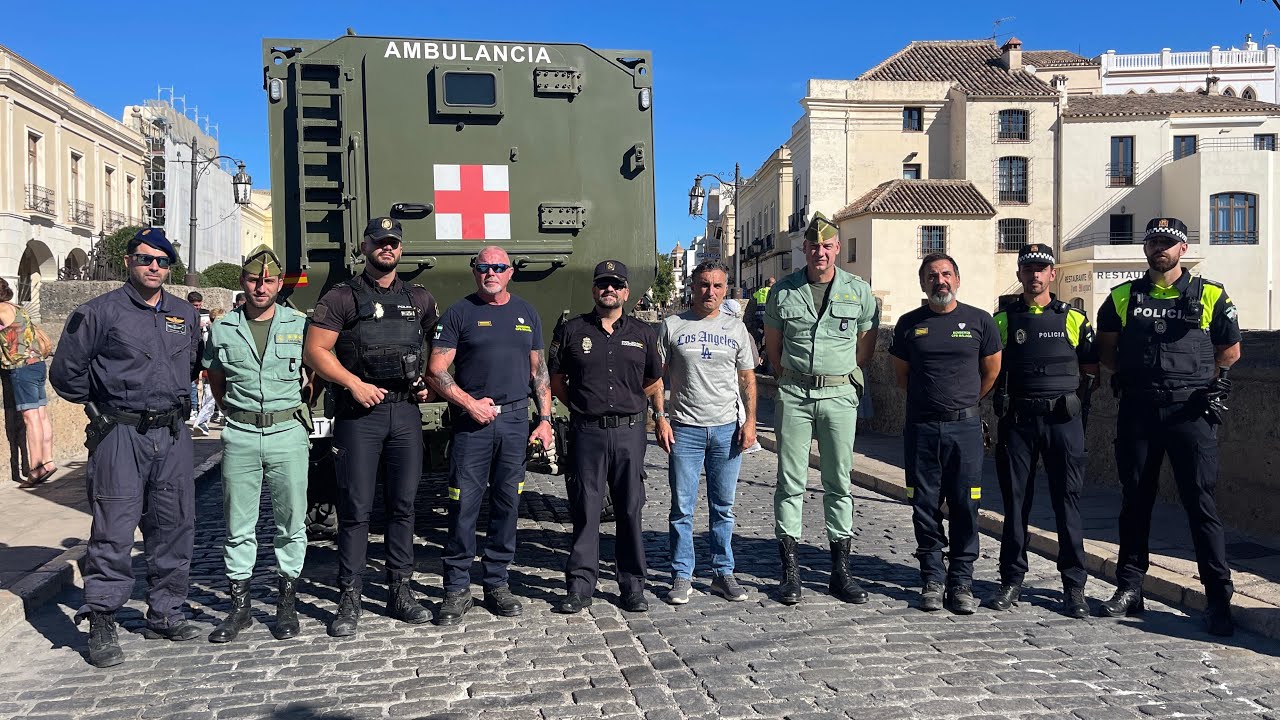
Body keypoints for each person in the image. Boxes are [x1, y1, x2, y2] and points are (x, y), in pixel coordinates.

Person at [49, 227, 201, 667]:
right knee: (113, 530)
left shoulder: (183, 313)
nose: (154, 267)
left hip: (171, 434)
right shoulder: (98, 312)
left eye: (162, 261)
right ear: (128, 262)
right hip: (120, 434)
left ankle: (166, 612)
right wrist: (106, 407)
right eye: (145, 258)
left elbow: (191, 364)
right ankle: (102, 618)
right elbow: (66, 374)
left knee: (174, 525)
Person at [1095, 217, 1241, 636]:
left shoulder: (1210, 293)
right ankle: (1129, 587)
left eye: (1168, 242)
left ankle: (1218, 599)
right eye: (1154, 242)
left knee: (1201, 504)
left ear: (1183, 249)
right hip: (1139, 410)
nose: (1160, 248)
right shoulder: (1123, 296)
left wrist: (1203, 380)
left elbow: (1230, 349)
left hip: (1189, 412)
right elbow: (1108, 350)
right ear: (1145, 248)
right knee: (1135, 501)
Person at [303, 217, 438, 636]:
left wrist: (428, 384)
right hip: (359, 415)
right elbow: (315, 350)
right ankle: (350, 595)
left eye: (393, 242)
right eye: (379, 242)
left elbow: (437, 346)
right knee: (355, 509)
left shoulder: (419, 298)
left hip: (404, 414)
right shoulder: (342, 296)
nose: (387, 248)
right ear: (365, 247)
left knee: (403, 506)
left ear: (401, 249)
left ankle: (400, 590)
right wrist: (353, 383)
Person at [427, 247, 554, 625]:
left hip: (514, 422)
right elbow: (435, 370)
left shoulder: (527, 312)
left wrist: (545, 419)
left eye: (498, 267)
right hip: (473, 425)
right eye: (484, 267)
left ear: (510, 272)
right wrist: (469, 404)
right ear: (475, 272)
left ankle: (497, 582)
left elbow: (538, 371)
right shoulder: (459, 313)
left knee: (507, 504)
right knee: (463, 504)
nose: (491, 273)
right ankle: (456, 588)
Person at [763, 213, 878, 606]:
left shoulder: (858, 291)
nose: (820, 253)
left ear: (837, 249)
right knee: (790, 481)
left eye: (827, 246)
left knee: (839, 482)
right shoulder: (784, 291)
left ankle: (840, 571)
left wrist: (839, 377)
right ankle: (790, 572)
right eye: (814, 246)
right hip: (795, 393)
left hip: (839, 396)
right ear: (805, 249)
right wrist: (793, 378)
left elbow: (865, 346)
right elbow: (774, 349)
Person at [203, 246, 312, 643]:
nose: (261, 287)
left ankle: (286, 603)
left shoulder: (300, 324)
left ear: (279, 283)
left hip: (287, 433)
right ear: (242, 282)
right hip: (241, 434)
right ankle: (240, 607)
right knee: (238, 525)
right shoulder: (223, 329)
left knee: (291, 522)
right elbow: (216, 380)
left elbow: (314, 372)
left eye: (268, 281)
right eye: (253, 280)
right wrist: (236, 415)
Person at [988, 244, 1097, 619]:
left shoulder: (1073, 318)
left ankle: (1074, 587)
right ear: (1019, 274)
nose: (1035, 274)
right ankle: (1011, 580)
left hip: (1062, 422)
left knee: (1067, 503)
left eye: (1042, 268)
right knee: (1015, 503)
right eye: (1028, 268)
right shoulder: (1003, 320)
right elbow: (988, 366)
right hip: (1018, 421)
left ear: (1053, 274)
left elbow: (1092, 369)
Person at [890, 252, 1001, 615]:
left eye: (946, 274)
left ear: (957, 279)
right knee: (924, 505)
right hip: (922, 428)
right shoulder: (909, 324)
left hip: (964, 428)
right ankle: (932, 579)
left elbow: (991, 371)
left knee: (966, 504)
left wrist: (963, 403)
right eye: (932, 275)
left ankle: (962, 581)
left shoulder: (980, 321)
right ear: (923, 283)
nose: (940, 281)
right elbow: (902, 377)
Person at [549, 260, 663, 614]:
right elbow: (556, 380)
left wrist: (646, 412)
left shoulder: (644, 333)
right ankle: (580, 585)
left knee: (629, 508)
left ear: (626, 292)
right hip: (588, 432)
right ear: (594, 290)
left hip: (629, 432)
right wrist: (581, 406)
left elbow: (653, 380)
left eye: (615, 284)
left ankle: (632, 585)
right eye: (602, 284)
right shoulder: (572, 330)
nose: (608, 289)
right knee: (586, 508)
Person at [656, 260, 757, 604]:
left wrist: (750, 421)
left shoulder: (736, 329)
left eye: (716, 286)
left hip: (727, 429)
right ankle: (681, 575)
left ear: (725, 289)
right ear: (692, 286)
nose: (709, 292)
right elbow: (656, 377)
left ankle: (722, 573)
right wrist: (660, 417)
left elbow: (747, 378)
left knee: (723, 507)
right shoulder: (672, 326)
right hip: (685, 429)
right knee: (682, 508)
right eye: (703, 284)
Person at [0, 278, 55, 485]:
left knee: (30, 418)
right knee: (41, 415)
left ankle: (36, 468)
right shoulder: (16, 308)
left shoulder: (1, 310)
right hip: (37, 364)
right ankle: (48, 461)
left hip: (21, 367)